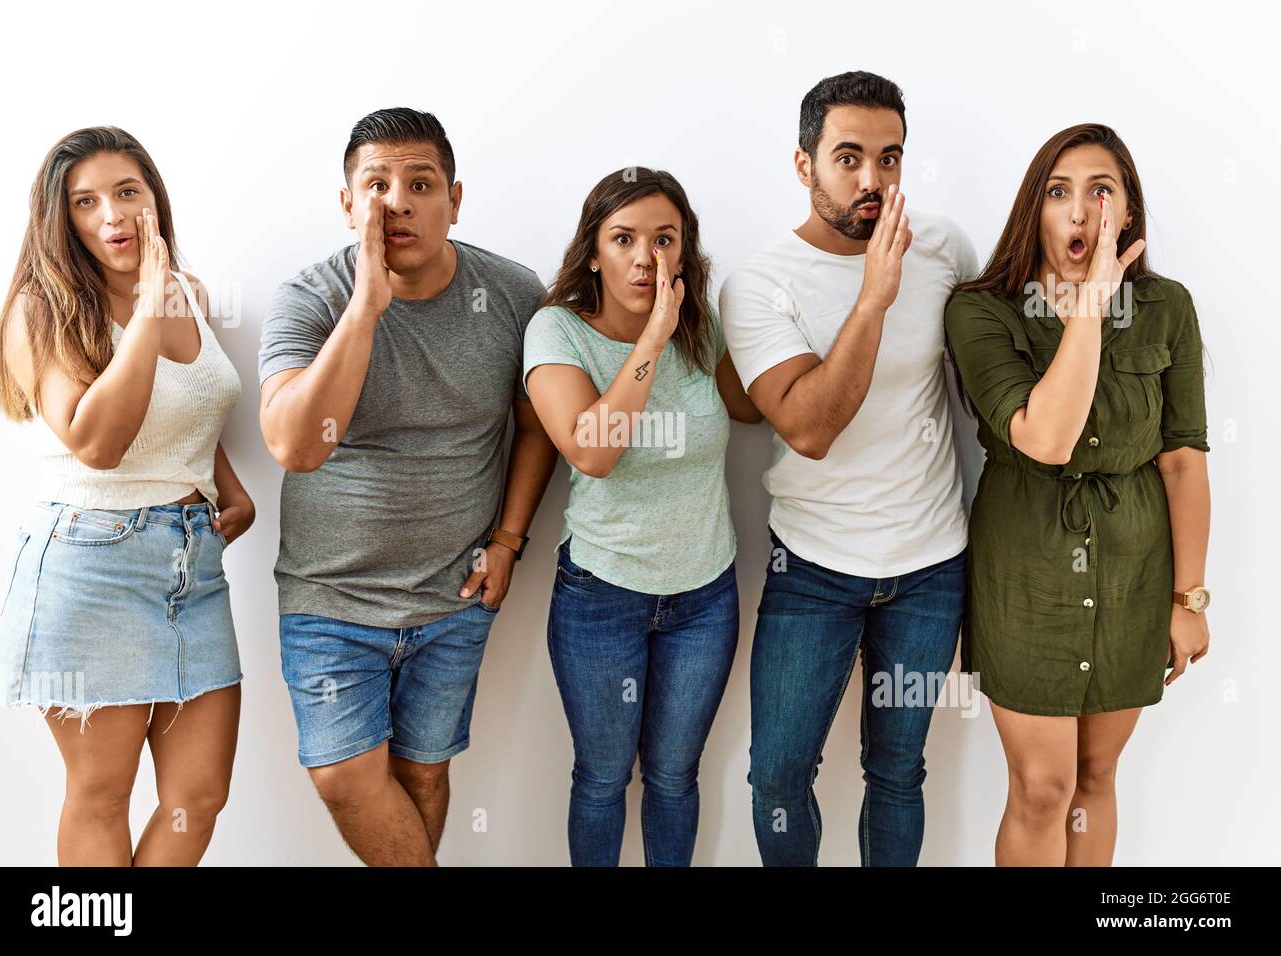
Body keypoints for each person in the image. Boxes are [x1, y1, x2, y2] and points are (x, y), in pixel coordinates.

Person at [257, 107, 556, 866]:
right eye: (377, 184)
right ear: (347, 203)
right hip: (331, 598)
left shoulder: (514, 294)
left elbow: (535, 425)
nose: (397, 202)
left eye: (419, 183)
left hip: (453, 595)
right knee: (344, 777)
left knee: (424, 773)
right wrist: (365, 308)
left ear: (454, 198)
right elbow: (293, 444)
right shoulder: (311, 297)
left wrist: (510, 543)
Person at [719, 71, 978, 866]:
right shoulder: (760, 283)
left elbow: (984, 385)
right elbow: (810, 427)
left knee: (899, 772)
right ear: (805, 166)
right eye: (849, 157)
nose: (874, 181)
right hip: (814, 569)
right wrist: (873, 299)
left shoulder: (945, 247)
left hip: (931, 563)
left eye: (890, 158)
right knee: (777, 777)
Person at [943, 123, 1211, 866]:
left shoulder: (1167, 307)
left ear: (1127, 212)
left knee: (1096, 776)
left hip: (1135, 572)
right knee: (1041, 786)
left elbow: (1183, 460)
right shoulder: (982, 310)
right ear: (1036, 209)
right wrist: (1090, 305)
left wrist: (1188, 599)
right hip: (1024, 577)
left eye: (1102, 191)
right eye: (1059, 192)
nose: (1080, 211)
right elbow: (1046, 438)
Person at [0, 127, 252, 865]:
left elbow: (189, 407)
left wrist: (229, 490)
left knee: (198, 797)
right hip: (89, 562)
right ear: (60, 219)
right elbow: (99, 443)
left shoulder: (192, 295)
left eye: (128, 191)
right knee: (102, 792)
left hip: (192, 569)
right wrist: (146, 310)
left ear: (154, 199)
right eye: (86, 202)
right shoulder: (43, 312)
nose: (114, 215)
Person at [523, 167, 762, 866]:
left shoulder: (702, 330)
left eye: (664, 239)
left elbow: (750, 408)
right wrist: (653, 337)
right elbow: (592, 452)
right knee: (601, 779)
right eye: (624, 238)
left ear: (684, 253)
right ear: (593, 250)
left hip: (705, 596)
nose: (644, 257)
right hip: (602, 596)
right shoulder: (557, 331)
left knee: (673, 777)